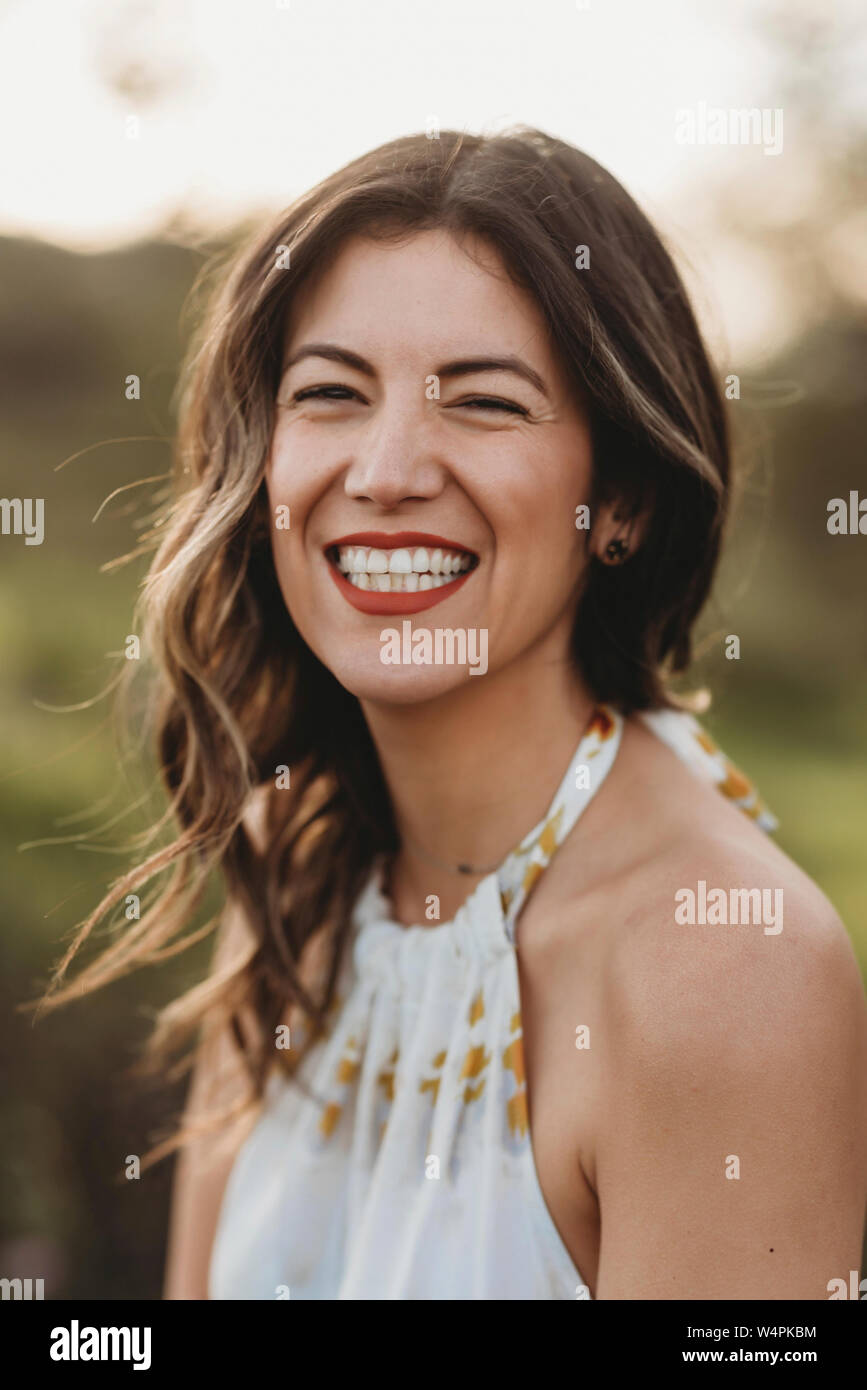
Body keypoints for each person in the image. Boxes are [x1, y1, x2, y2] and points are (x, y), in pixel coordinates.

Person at [44, 129, 867, 1299]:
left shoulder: (726, 968)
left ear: (620, 499)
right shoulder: (300, 856)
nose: (385, 469)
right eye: (329, 393)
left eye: (484, 402)